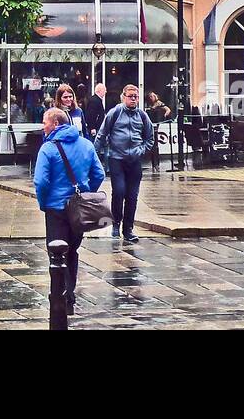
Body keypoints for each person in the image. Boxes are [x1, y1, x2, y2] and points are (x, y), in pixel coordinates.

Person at [33, 107, 105, 316]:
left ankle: (58, 297)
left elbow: (41, 181)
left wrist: (43, 202)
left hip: (55, 210)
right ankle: (69, 297)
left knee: (56, 255)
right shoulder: (86, 144)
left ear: (56, 123)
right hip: (78, 209)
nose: (43, 126)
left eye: (45, 122)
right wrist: (86, 192)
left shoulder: (47, 148)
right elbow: (99, 173)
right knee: (72, 252)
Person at [96, 84, 155, 243]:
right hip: (117, 159)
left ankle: (128, 228)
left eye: (136, 96)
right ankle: (116, 224)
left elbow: (150, 138)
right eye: (130, 96)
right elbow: (102, 134)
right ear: (123, 97)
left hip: (134, 161)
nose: (134, 99)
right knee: (119, 192)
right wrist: (94, 155)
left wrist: (141, 150)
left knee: (132, 196)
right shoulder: (114, 113)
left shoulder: (142, 116)